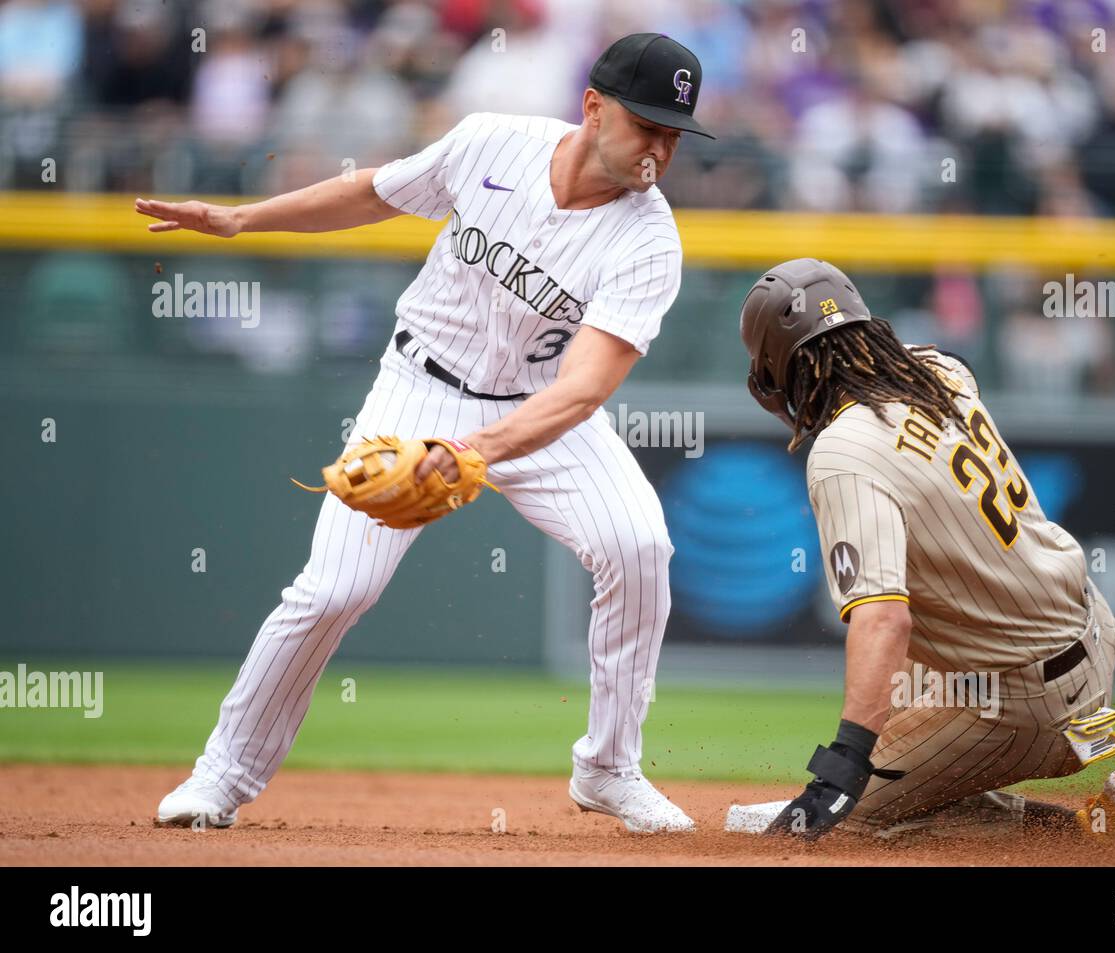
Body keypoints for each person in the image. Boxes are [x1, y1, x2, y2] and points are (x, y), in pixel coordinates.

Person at [138, 33, 715, 834]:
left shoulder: (650, 239)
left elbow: (584, 389)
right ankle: (223, 774)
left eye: (674, 133)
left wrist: (475, 452)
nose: (661, 146)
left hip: (538, 409)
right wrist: (242, 219)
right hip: (417, 386)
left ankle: (610, 768)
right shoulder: (493, 142)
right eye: (647, 123)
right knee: (336, 588)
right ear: (592, 107)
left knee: (639, 545)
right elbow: (374, 192)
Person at [735, 258, 1115, 850]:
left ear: (780, 368)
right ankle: (1062, 806)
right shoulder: (938, 369)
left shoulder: (842, 452)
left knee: (854, 822)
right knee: (909, 730)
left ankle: (1098, 829)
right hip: (1088, 631)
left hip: (1023, 700)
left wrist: (844, 766)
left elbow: (883, 618)